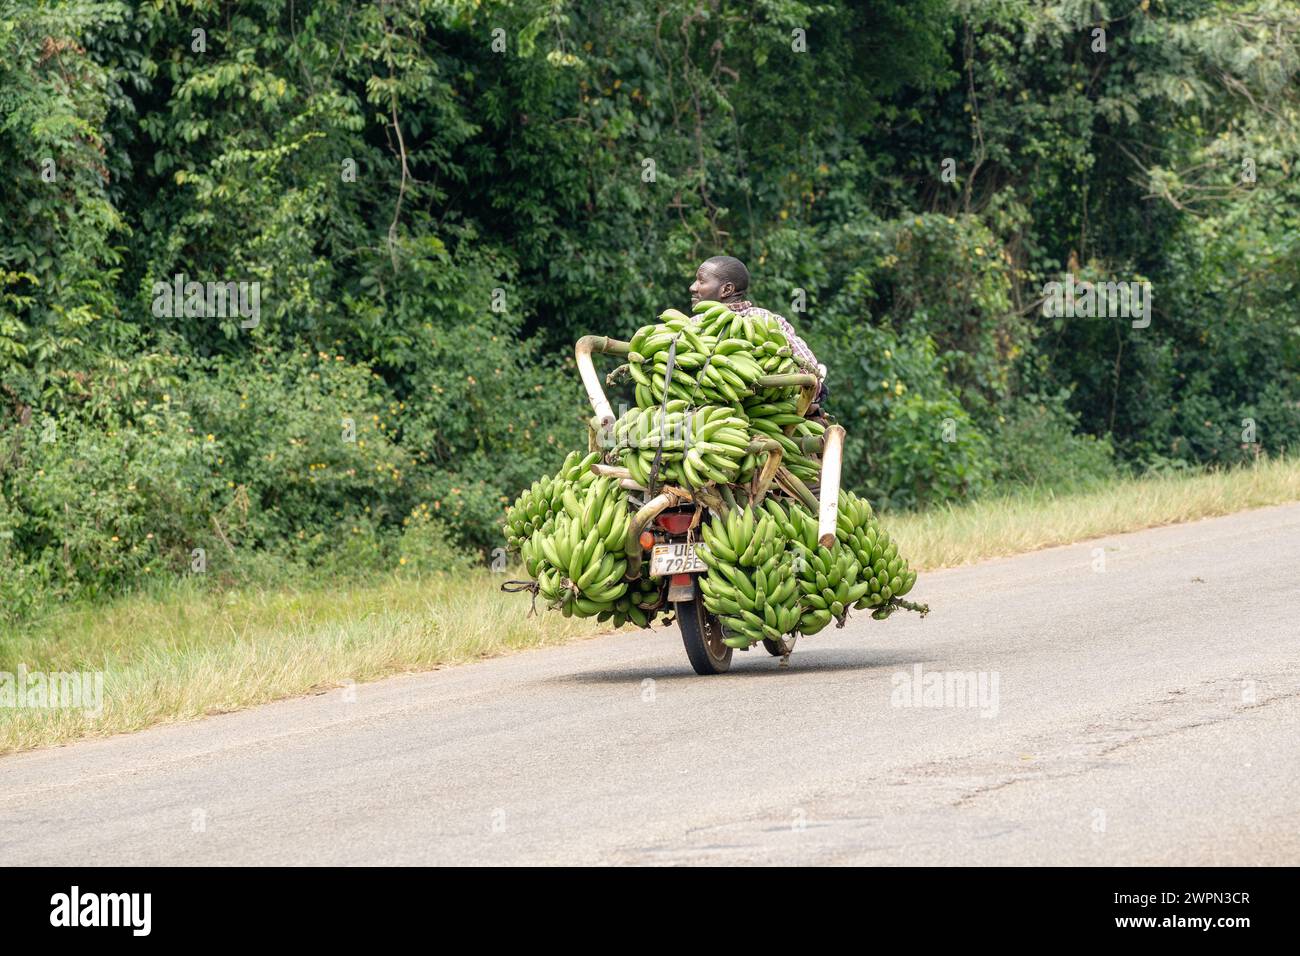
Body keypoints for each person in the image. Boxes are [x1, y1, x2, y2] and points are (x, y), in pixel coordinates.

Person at [688, 256, 828, 393]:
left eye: (701, 281)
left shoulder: (694, 325)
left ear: (727, 290)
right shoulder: (768, 318)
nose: (692, 287)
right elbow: (808, 365)